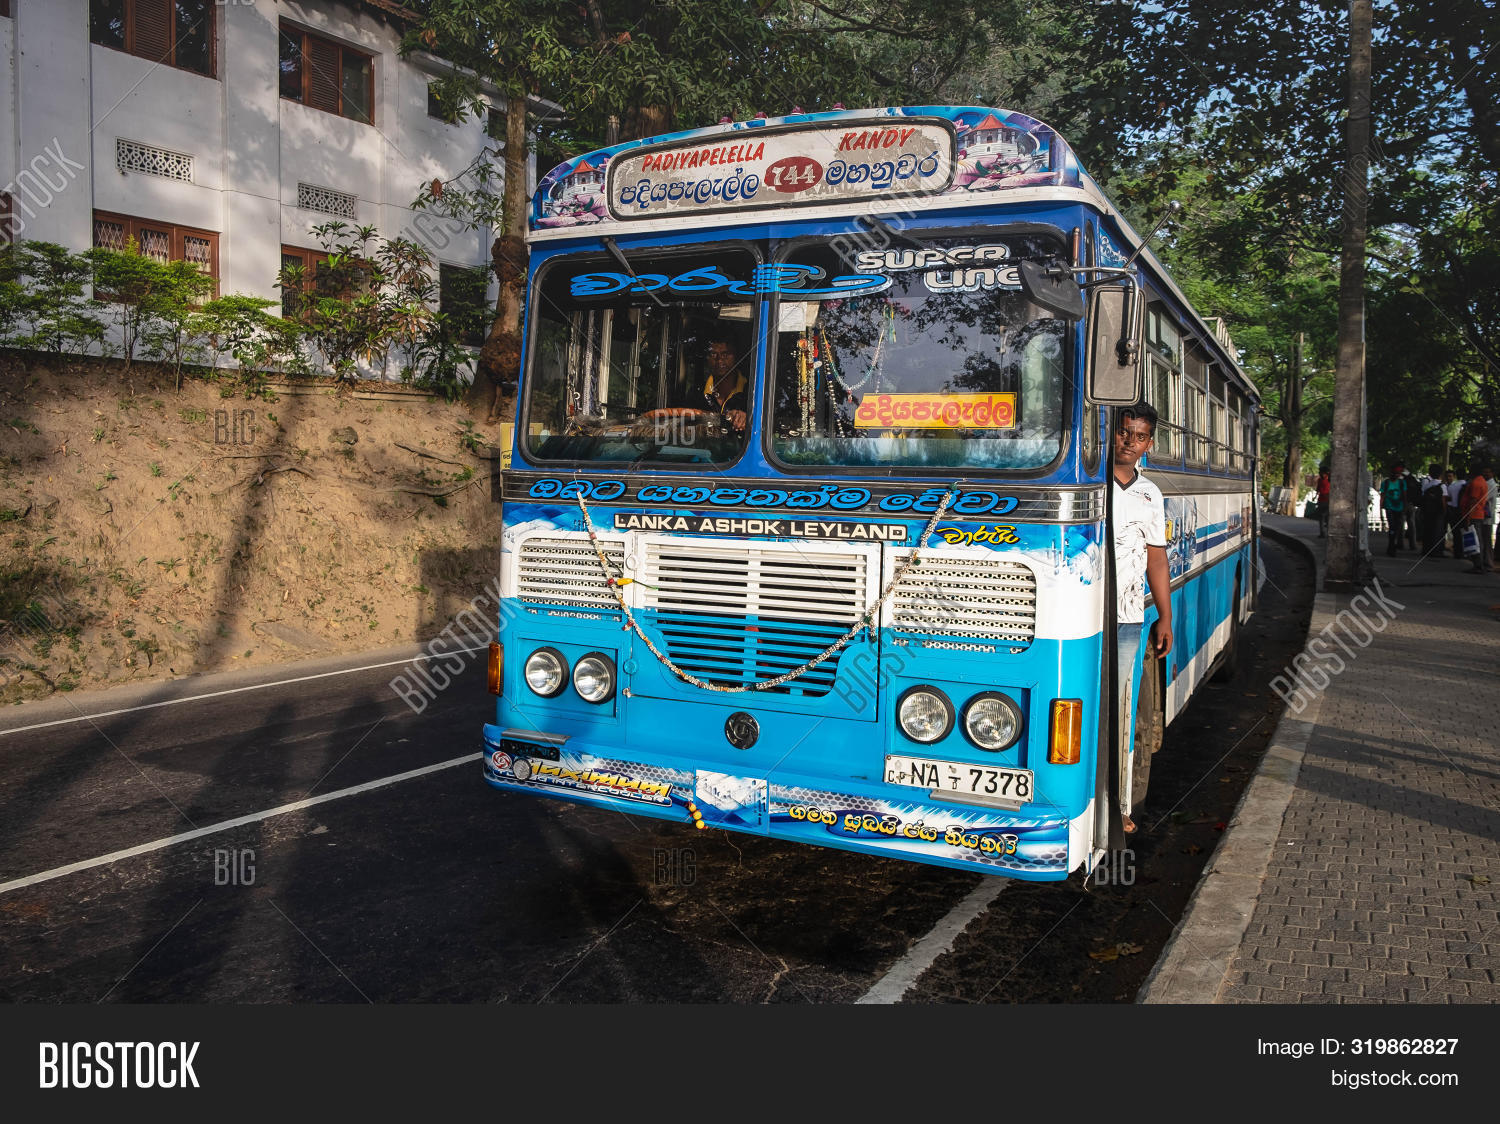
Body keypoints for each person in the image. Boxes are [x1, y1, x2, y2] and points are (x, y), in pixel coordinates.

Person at [1113, 403, 1173, 825]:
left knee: (1122, 712)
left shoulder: (1150, 493)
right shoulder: (1087, 483)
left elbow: (1157, 560)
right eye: (1123, 433)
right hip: (1084, 617)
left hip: (1129, 618)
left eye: (1139, 437)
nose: (1129, 443)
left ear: (1149, 443)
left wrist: (1165, 617)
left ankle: (1121, 805)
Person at [701, 337, 749, 433]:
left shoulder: (751, 391)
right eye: (713, 354)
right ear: (707, 359)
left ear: (736, 357)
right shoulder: (697, 393)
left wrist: (749, 419)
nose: (719, 360)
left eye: (725, 354)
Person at [1458, 466, 1493, 574]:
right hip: (1477, 514)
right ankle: (1478, 564)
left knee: (1475, 540)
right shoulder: (1482, 482)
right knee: (1478, 540)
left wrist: (1468, 517)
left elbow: (1472, 501)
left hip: (1474, 515)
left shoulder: (1476, 483)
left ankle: (1478, 565)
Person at [1379, 466, 1407, 556]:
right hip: (1389, 507)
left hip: (1399, 508)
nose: (1396, 475)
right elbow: (1382, 496)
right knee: (1392, 527)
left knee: (1397, 528)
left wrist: (1404, 508)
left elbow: (1404, 496)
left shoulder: (1402, 483)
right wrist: (1381, 507)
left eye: (1398, 474)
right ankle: (1391, 546)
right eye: (1395, 473)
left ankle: (1393, 544)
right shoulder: (1386, 483)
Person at [1419, 476, 1448, 559]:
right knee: (1438, 531)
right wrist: (1444, 511)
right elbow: (1443, 499)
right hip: (1438, 512)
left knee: (1428, 530)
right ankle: (1436, 551)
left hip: (1428, 512)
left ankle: (1426, 550)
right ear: (1440, 475)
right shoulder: (1442, 486)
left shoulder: (1427, 485)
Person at [1447, 470, 1466, 558]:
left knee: (1456, 533)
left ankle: (1458, 553)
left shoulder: (1452, 486)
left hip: (1454, 511)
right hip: (1464, 511)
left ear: (1456, 476)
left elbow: (1449, 498)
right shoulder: (1467, 485)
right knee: (1465, 532)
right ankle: (1466, 552)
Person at [1403, 468, 1421, 548]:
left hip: (1403, 504)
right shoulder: (1413, 480)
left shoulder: (1402, 480)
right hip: (1412, 504)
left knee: (1401, 524)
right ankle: (1413, 544)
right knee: (1412, 525)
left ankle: (1400, 543)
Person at [1315, 466, 1331, 537]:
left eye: (1321, 472)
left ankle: (1326, 533)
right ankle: (1322, 533)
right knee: (1322, 517)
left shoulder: (1330, 480)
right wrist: (1315, 496)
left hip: (1328, 500)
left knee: (1326, 517)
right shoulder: (1320, 480)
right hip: (1321, 500)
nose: (1320, 473)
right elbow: (1318, 489)